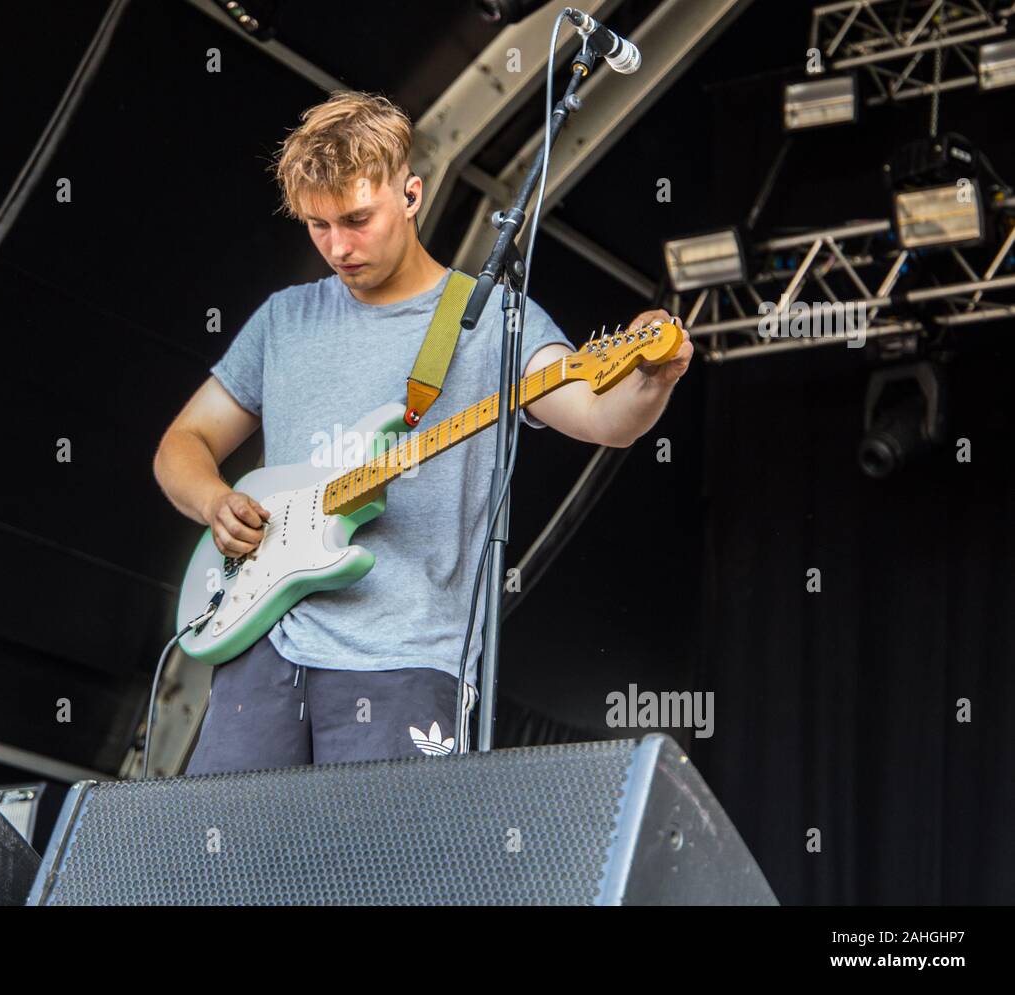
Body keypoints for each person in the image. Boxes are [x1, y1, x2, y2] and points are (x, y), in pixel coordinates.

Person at [153, 90, 692, 775]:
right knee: (212, 872)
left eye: (356, 219)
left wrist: (652, 378)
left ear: (410, 194)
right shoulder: (284, 319)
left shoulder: (489, 317)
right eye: (317, 226)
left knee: (379, 875)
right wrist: (212, 502)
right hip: (265, 648)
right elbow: (183, 443)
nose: (338, 247)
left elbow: (602, 417)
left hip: (406, 659)